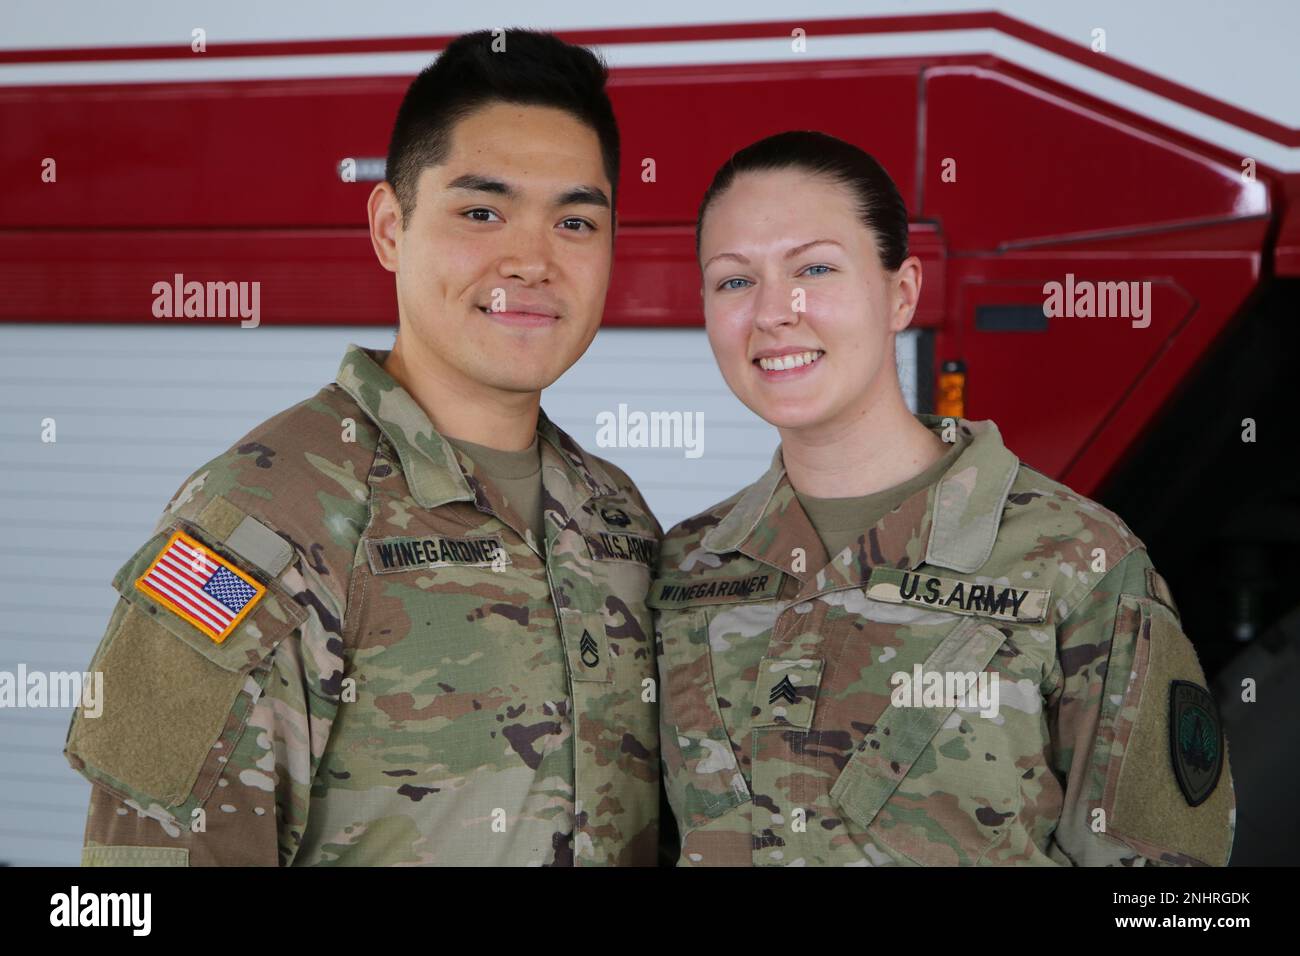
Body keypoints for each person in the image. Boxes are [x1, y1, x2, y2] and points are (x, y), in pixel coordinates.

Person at [64, 29, 661, 867]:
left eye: (574, 220)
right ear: (390, 227)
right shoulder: (255, 524)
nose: (531, 260)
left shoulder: (621, 520)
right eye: (481, 211)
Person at [650, 130, 1235, 866]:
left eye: (816, 268)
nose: (773, 311)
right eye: (734, 280)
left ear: (902, 294)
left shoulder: (1077, 563)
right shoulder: (687, 569)